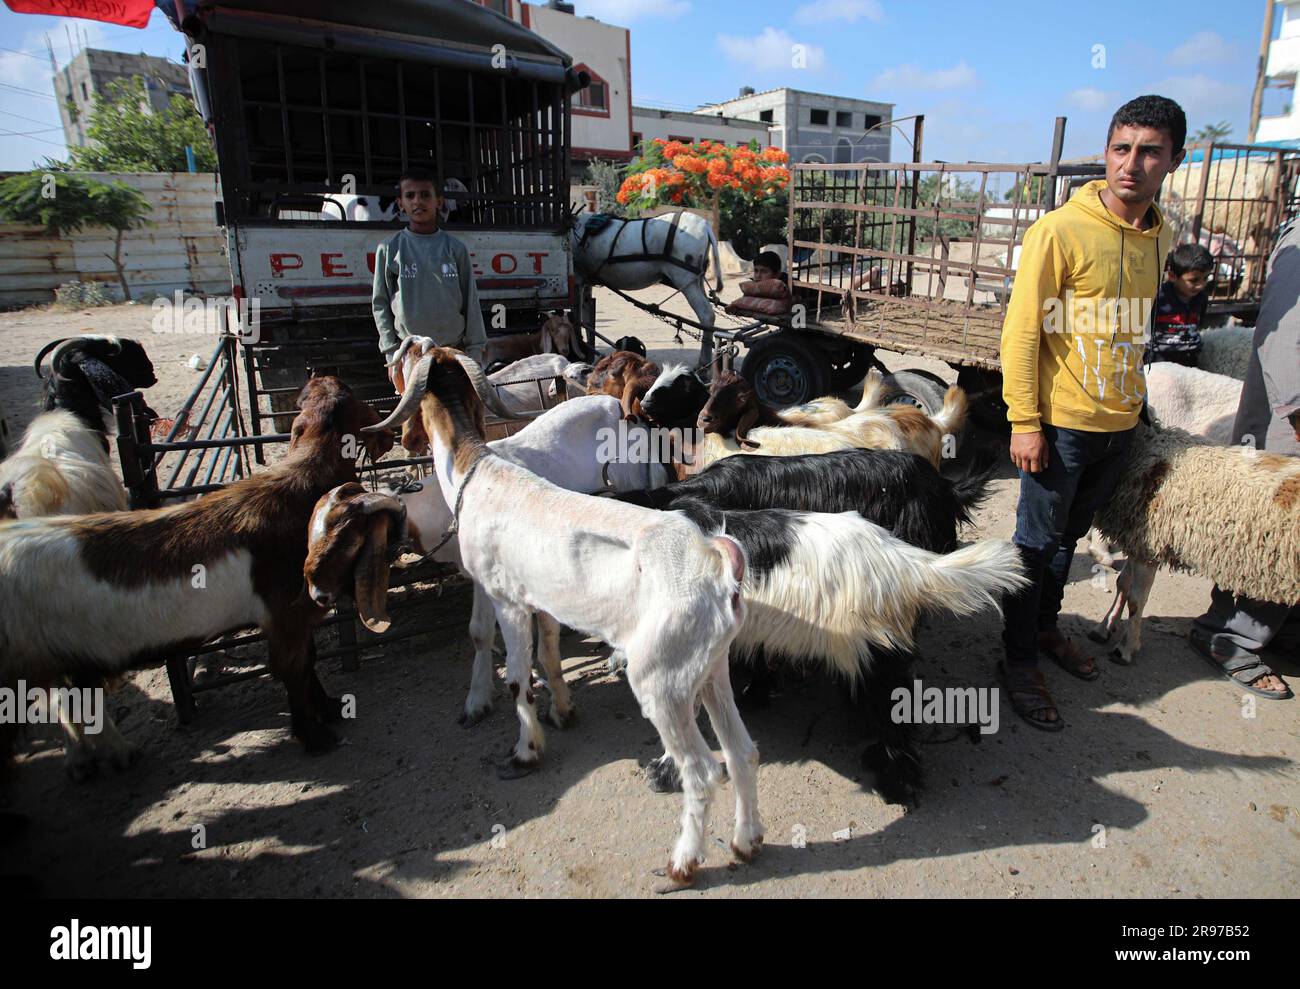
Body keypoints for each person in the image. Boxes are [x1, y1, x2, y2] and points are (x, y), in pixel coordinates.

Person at [998, 95, 1185, 730]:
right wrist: (1025, 421)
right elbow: (1022, 333)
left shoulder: (1164, 234)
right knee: (1033, 544)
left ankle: (1046, 632)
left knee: (1068, 540)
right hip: (1062, 424)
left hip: (1119, 426)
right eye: (1121, 148)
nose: (1131, 164)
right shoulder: (1058, 230)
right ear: (1106, 153)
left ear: (1173, 161)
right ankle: (1018, 661)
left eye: (1149, 151)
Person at [1187, 218, 1300, 700]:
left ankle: (1285, 629)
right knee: (1269, 536)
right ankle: (1229, 633)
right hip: (1287, 424)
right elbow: (1285, 340)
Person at [372, 169, 486, 384]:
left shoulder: (455, 249)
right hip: (411, 354)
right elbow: (380, 304)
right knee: (417, 417)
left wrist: (476, 351)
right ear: (400, 203)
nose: (418, 202)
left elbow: (471, 301)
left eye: (425, 195)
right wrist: (391, 354)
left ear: (439, 202)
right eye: (410, 196)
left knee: (453, 415)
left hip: (453, 352)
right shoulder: (389, 249)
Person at [1151, 242, 1213, 365]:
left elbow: (1199, 324)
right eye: (1194, 280)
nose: (1201, 285)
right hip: (1161, 360)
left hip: (1190, 359)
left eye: (1205, 278)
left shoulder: (1201, 299)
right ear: (1173, 276)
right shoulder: (1158, 298)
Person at [725, 250, 793, 318]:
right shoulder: (753, 288)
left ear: (777, 274)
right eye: (756, 271)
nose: (758, 276)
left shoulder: (783, 287)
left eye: (764, 271)